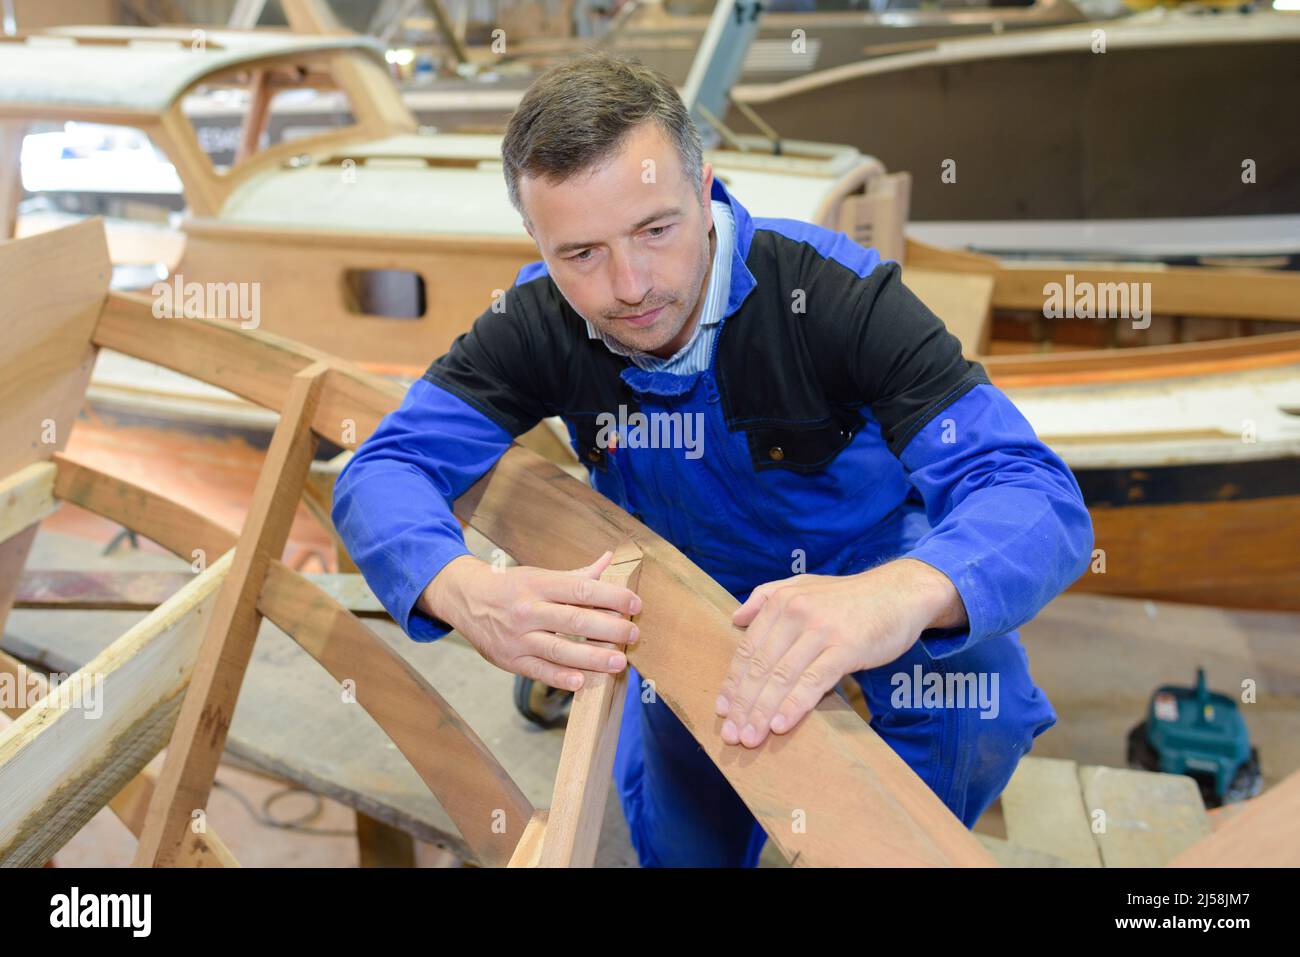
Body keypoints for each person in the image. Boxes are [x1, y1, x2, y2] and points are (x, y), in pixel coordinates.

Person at [332, 52, 1094, 867]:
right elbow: (382, 471)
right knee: (683, 828)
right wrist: (466, 590)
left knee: (977, 709)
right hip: (684, 592)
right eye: (580, 254)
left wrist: (898, 595)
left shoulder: (834, 297)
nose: (629, 285)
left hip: (862, 560)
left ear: (704, 193)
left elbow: (1035, 494)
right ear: (538, 241)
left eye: (655, 230)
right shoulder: (536, 324)